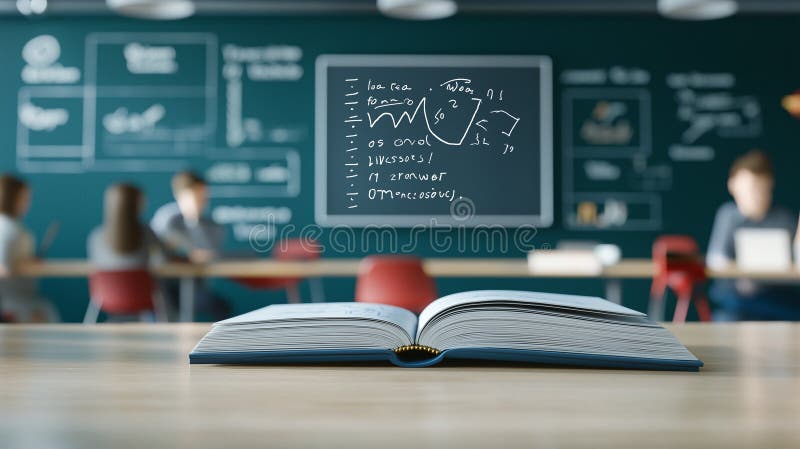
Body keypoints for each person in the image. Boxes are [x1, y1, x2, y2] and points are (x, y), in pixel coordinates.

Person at [706, 149, 800, 320]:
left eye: (760, 189)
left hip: (780, 299)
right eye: (749, 189)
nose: (755, 195)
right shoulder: (728, 215)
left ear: (770, 186)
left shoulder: (785, 219)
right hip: (738, 300)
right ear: (732, 186)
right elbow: (716, 259)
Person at [150, 171, 230, 320]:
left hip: (194, 285)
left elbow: (210, 252)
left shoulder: (209, 224)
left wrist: (194, 222)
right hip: (164, 288)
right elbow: (158, 253)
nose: (201, 202)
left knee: (221, 306)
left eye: (204, 197)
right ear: (179, 197)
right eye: (196, 197)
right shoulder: (166, 219)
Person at [0, 175, 59, 322]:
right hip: (13, 301)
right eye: (24, 198)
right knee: (46, 312)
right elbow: (4, 267)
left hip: (16, 299)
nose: (28, 203)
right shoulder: (10, 230)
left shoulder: (13, 228)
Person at [88, 183, 166, 270]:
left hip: (102, 284)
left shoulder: (96, 235)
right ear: (138, 204)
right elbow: (162, 259)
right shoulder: (146, 232)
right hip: (142, 283)